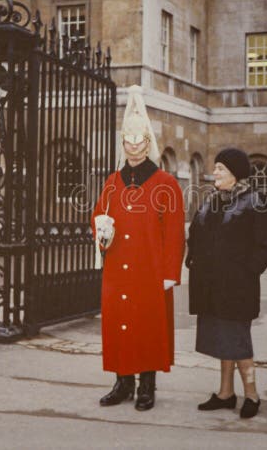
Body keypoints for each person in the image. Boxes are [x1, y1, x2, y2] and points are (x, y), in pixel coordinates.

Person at [91, 92, 185, 411]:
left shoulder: (166, 184)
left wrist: (170, 274)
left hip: (150, 271)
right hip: (118, 268)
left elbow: (174, 233)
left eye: (138, 140)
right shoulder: (112, 182)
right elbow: (98, 217)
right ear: (123, 144)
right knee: (120, 325)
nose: (133, 147)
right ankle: (122, 381)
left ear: (147, 143)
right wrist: (101, 230)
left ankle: (147, 384)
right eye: (127, 141)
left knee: (146, 326)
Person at [186, 148, 267, 419]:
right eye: (215, 168)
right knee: (222, 338)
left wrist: (247, 272)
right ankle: (226, 393)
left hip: (237, 286)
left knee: (237, 340)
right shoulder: (212, 200)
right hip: (211, 284)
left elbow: (265, 244)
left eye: (220, 169)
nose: (214, 172)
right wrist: (193, 258)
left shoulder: (255, 201)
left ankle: (252, 394)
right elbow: (195, 233)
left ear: (235, 174)